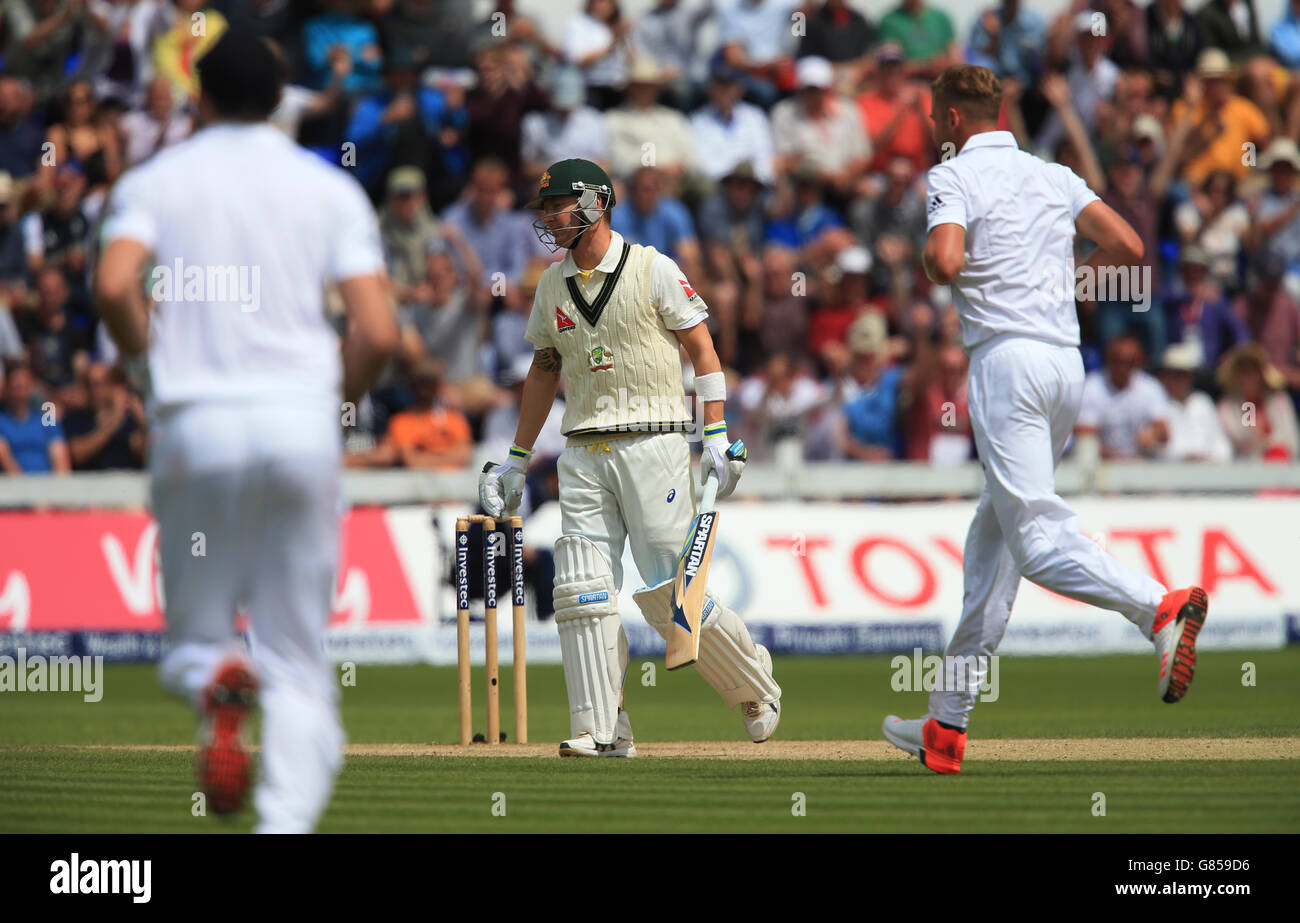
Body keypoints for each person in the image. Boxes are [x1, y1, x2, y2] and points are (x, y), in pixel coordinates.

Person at [94, 29, 398, 831]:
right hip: (299, 425)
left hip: (196, 425)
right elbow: (379, 332)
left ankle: (213, 673)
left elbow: (115, 284)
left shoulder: (157, 180)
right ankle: (282, 825)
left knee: (195, 639)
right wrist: (336, 399)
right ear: (279, 99)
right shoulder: (326, 188)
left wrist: (145, 369)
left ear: (200, 96)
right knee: (298, 660)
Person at [881, 66, 1208, 775]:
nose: (937, 128)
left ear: (955, 121)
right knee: (991, 543)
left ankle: (1158, 605)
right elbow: (1126, 244)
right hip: (1065, 364)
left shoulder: (952, 176)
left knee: (1032, 537)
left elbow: (944, 259)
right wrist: (1066, 282)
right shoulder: (1055, 174)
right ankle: (946, 722)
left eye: (939, 118)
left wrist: (942, 271)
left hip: (1006, 364)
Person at [478, 158, 781, 757]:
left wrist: (715, 433)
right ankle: (603, 727)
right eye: (543, 208)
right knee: (581, 588)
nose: (547, 218)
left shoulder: (651, 267)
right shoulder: (550, 284)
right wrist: (517, 457)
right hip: (583, 449)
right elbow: (544, 370)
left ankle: (754, 684)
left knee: (672, 591)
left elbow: (703, 350)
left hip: (656, 441)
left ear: (594, 203)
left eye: (557, 205)